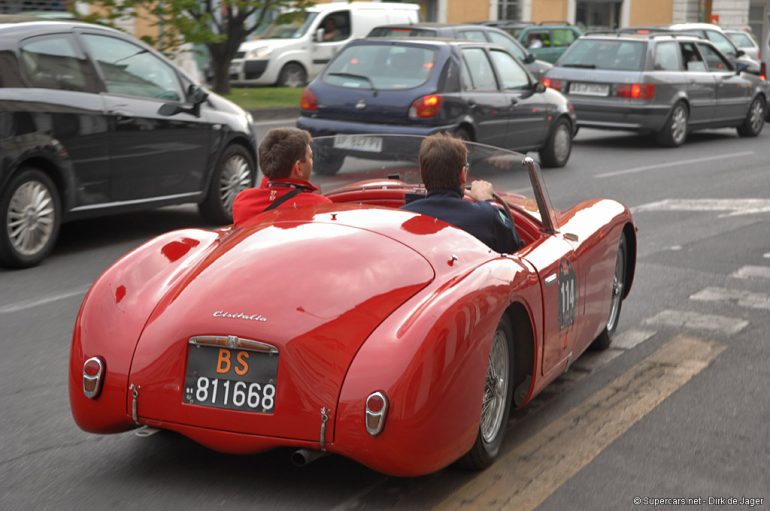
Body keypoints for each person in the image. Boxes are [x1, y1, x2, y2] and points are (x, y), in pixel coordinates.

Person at [401, 133, 522, 254]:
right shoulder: (487, 216)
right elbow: (516, 248)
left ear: (423, 174)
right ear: (463, 174)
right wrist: (487, 201)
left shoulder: (402, 218)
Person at [232, 128, 331, 226]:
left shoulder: (243, 200)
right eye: (310, 157)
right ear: (298, 167)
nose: (312, 161)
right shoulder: (319, 205)